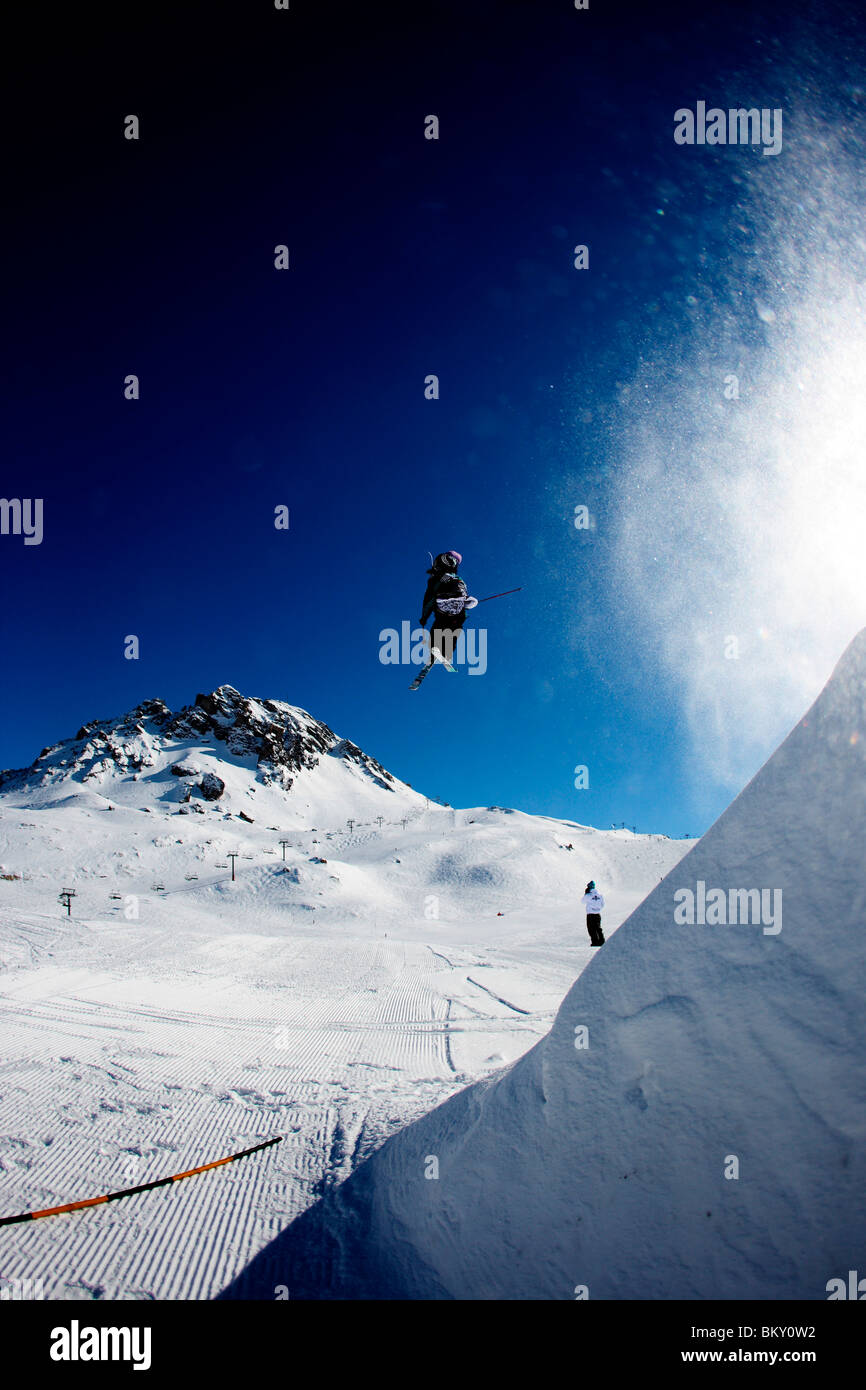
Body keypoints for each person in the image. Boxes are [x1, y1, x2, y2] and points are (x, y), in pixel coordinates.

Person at [419, 550, 477, 664]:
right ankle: (445, 652)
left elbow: (428, 600)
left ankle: (436, 652)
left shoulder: (437, 577)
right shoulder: (453, 575)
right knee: (453, 629)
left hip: (443, 609)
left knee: (440, 629)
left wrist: (424, 617)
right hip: (456, 612)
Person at [582, 880, 605, 946]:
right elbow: (603, 905)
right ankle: (601, 941)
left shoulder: (588, 895)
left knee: (591, 929)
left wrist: (586, 894)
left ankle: (595, 942)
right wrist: (597, 908)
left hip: (590, 915)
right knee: (598, 928)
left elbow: (582, 901)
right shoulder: (600, 896)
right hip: (598, 914)